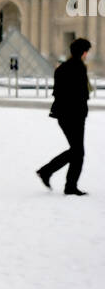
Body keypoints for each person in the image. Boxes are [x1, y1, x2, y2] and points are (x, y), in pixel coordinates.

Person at [37, 37, 92, 195]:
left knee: (76, 151)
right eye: (86, 52)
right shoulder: (79, 68)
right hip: (75, 115)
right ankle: (67, 184)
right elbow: (81, 94)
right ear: (82, 52)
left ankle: (49, 173)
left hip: (63, 115)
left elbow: (58, 92)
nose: (87, 55)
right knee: (78, 152)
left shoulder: (62, 68)